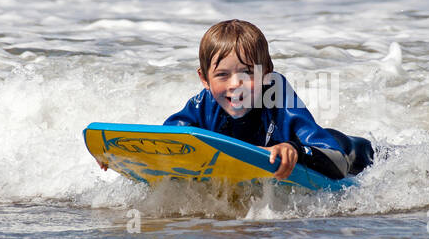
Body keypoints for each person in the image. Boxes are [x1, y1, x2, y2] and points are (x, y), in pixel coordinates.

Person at [159, 19, 375, 181]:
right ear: (204, 79)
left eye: (248, 73)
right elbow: (171, 136)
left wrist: (295, 151)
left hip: (353, 153)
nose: (235, 84)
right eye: (222, 75)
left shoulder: (278, 96)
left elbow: (338, 163)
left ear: (267, 74)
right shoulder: (204, 102)